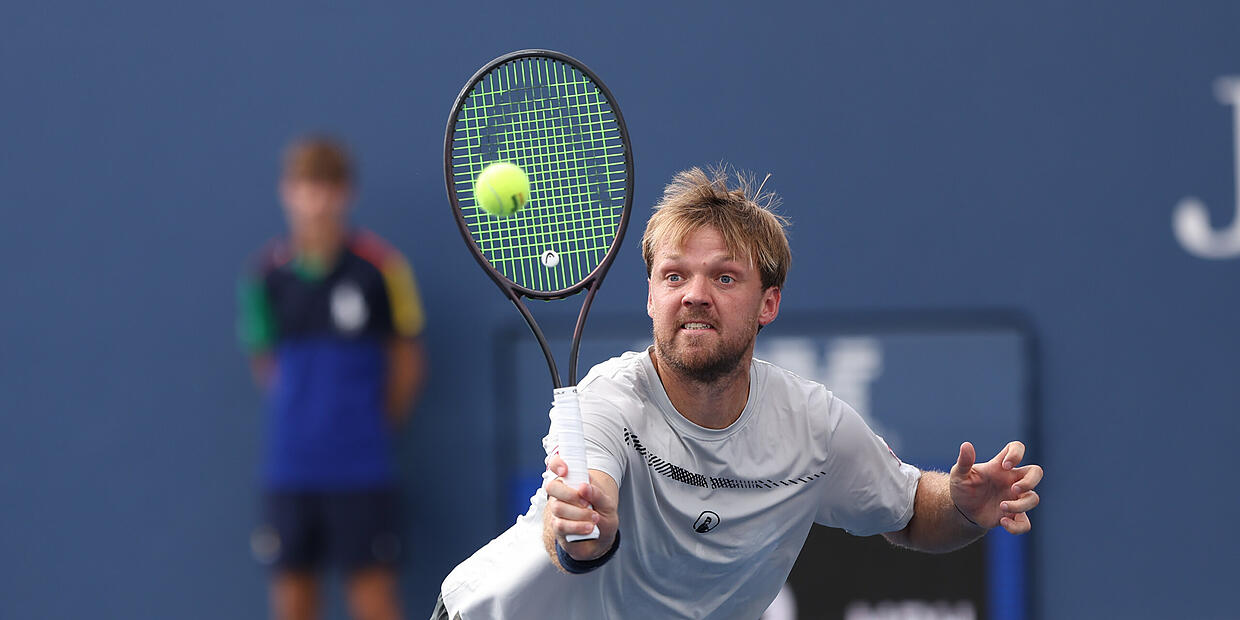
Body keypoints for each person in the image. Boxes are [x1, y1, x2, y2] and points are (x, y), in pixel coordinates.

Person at [433, 166, 1043, 620]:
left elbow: (910, 508)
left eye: (724, 277)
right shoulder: (606, 403)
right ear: (651, 297)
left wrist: (964, 505)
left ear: (768, 303)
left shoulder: (811, 427)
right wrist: (585, 524)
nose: (694, 294)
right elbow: (583, 531)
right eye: (674, 276)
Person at [238, 136, 427, 620]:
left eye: (326, 187)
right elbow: (266, 366)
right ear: (287, 192)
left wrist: (365, 428)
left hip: (362, 469)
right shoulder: (266, 277)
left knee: (374, 600)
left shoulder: (381, 268)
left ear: (346, 194)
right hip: (291, 470)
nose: (315, 200)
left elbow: (407, 364)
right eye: (305, 186)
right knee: (293, 604)